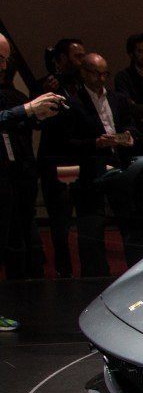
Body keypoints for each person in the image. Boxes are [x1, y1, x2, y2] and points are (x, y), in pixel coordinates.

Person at [1, 35, 64, 330]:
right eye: (0, 59)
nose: (4, 66)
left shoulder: (7, 90)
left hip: (12, 175)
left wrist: (37, 111)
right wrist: (27, 110)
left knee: (12, 240)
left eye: (6, 60)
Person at [66, 53, 138, 277]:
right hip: (92, 171)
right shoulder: (73, 102)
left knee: (130, 227)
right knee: (92, 231)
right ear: (83, 73)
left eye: (104, 73)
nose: (100, 78)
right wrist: (95, 143)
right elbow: (66, 142)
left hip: (121, 167)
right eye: (95, 73)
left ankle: (135, 277)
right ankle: (94, 280)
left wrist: (128, 136)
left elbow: (132, 126)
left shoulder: (118, 99)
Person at [37, 37, 86, 278]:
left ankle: (87, 270)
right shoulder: (48, 86)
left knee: (86, 219)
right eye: (76, 56)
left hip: (82, 157)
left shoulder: (82, 84)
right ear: (61, 59)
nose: (81, 61)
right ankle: (63, 270)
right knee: (60, 222)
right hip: (56, 160)